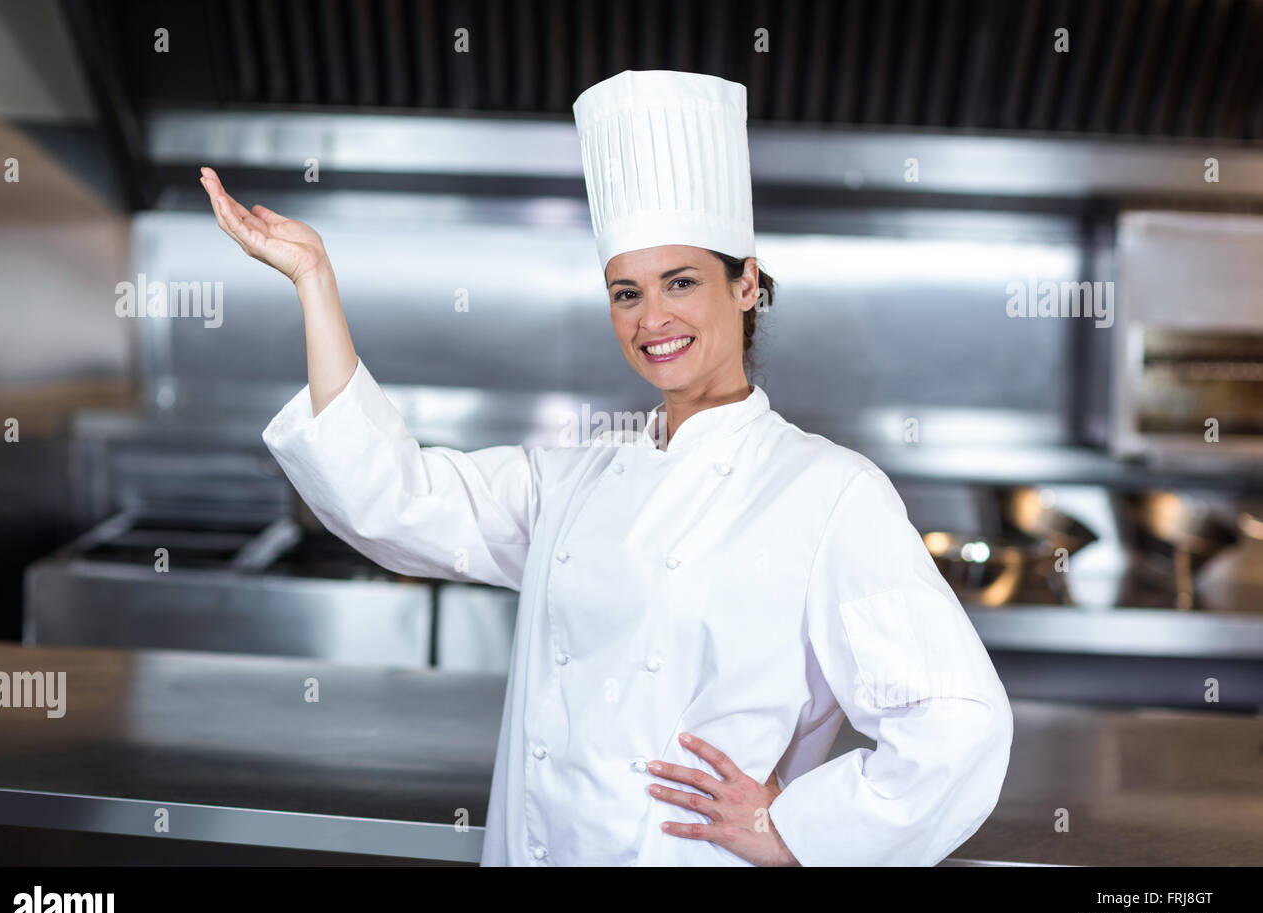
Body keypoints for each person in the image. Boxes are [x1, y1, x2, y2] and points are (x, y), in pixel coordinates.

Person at [199, 68, 1013, 867]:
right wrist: (314, 281)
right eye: (626, 293)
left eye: (680, 283)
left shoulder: (828, 493)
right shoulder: (576, 479)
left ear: (746, 285)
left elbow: (957, 725)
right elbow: (394, 499)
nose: (652, 318)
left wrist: (794, 829)